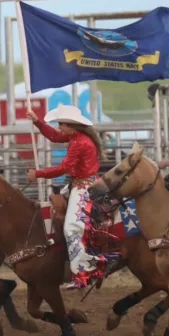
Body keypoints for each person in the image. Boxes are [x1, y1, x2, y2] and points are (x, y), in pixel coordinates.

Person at [26, 104, 106, 289]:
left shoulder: (79, 143)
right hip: (82, 183)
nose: (59, 127)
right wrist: (38, 121)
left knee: (71, 228)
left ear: (72, 125)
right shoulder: (78, 138)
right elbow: (54, 136)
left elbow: (64, 168)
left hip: (84, 187)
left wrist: (38, 174)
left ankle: (83, 271)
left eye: (62, 123)